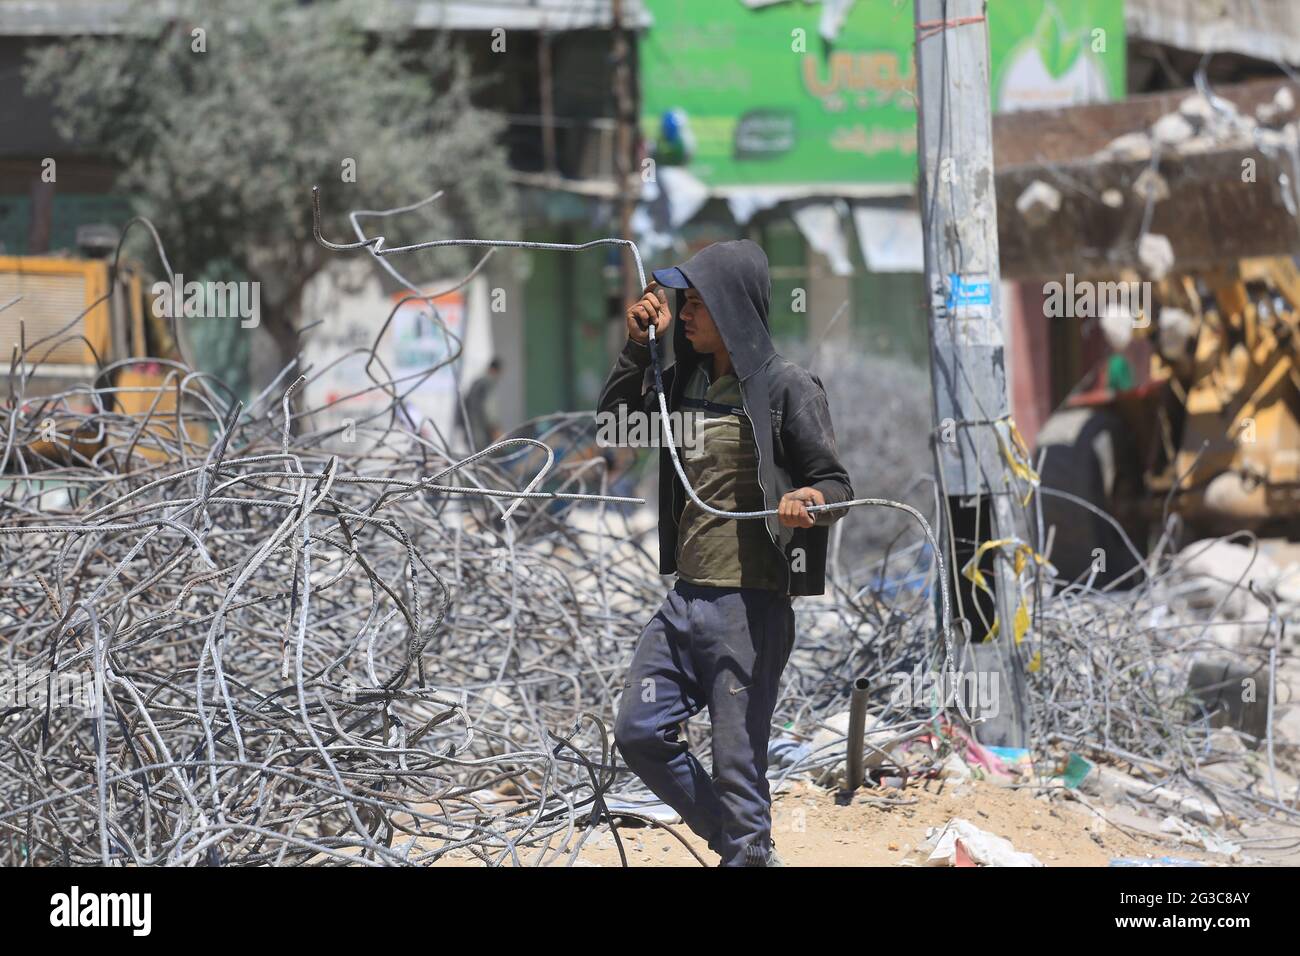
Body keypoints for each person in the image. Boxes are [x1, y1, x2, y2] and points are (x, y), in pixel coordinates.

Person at [598, 239, 853, 867]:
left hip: (748, 608)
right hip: (685, 602)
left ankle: (745, 850)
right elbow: (614, 428)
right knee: (638, 730)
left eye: (697, 304)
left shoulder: (787, 388)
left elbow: (838, 484)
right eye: (682, 302)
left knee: (738, 764)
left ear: (733, 308)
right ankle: (745, 848)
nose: (683, 313)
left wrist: (809, 499)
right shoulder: (681, 382)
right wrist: (638, 348)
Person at [463, 357, 502, 449]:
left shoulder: (477, 382)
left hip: (471, 429)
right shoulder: (488, 383)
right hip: (482, 432)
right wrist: (494, 428)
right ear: (495, 370)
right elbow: (489, 409)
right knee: (483, 458)